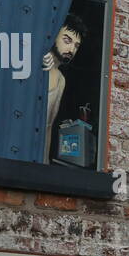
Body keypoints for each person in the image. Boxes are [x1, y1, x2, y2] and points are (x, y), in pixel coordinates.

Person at [42, 13, 87, 161]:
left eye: (76, 45)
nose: (71, 49)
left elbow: (48, 126)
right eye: (67, 40)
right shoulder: (35, 62)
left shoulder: (61, 80)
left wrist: (44, 161)